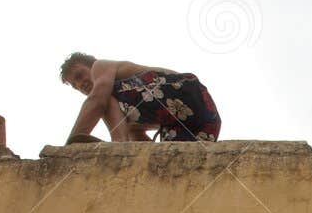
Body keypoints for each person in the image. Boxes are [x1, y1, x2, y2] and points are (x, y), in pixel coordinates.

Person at [59, 52, 222, 144]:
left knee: (103, 94)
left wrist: (71, 144)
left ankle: (118, 144)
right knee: (148, 145)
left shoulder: (100, 66)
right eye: (75, 85)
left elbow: (97, 101)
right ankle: (123, 145)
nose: (80, 84)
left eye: (80, 75)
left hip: (185, 90)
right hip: (205, 121)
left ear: (90, 65)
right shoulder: (125, 113)